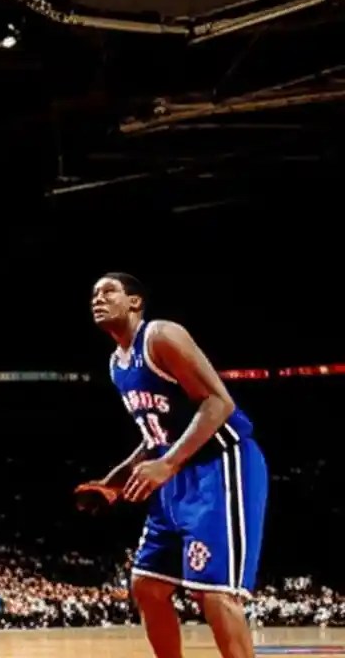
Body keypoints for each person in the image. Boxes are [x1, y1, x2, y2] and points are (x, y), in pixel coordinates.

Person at [80, 272, 267, 658]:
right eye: (94, 294)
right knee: (147, 586)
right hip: (176, 472)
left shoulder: (162, 336)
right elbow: (155, 434)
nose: (97, 299)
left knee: (214, 592)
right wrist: (113, 481)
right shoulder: (117, 364)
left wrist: (167, 463)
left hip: (220, 463)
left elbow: (219, 403)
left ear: (135, 302)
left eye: (108, 291)